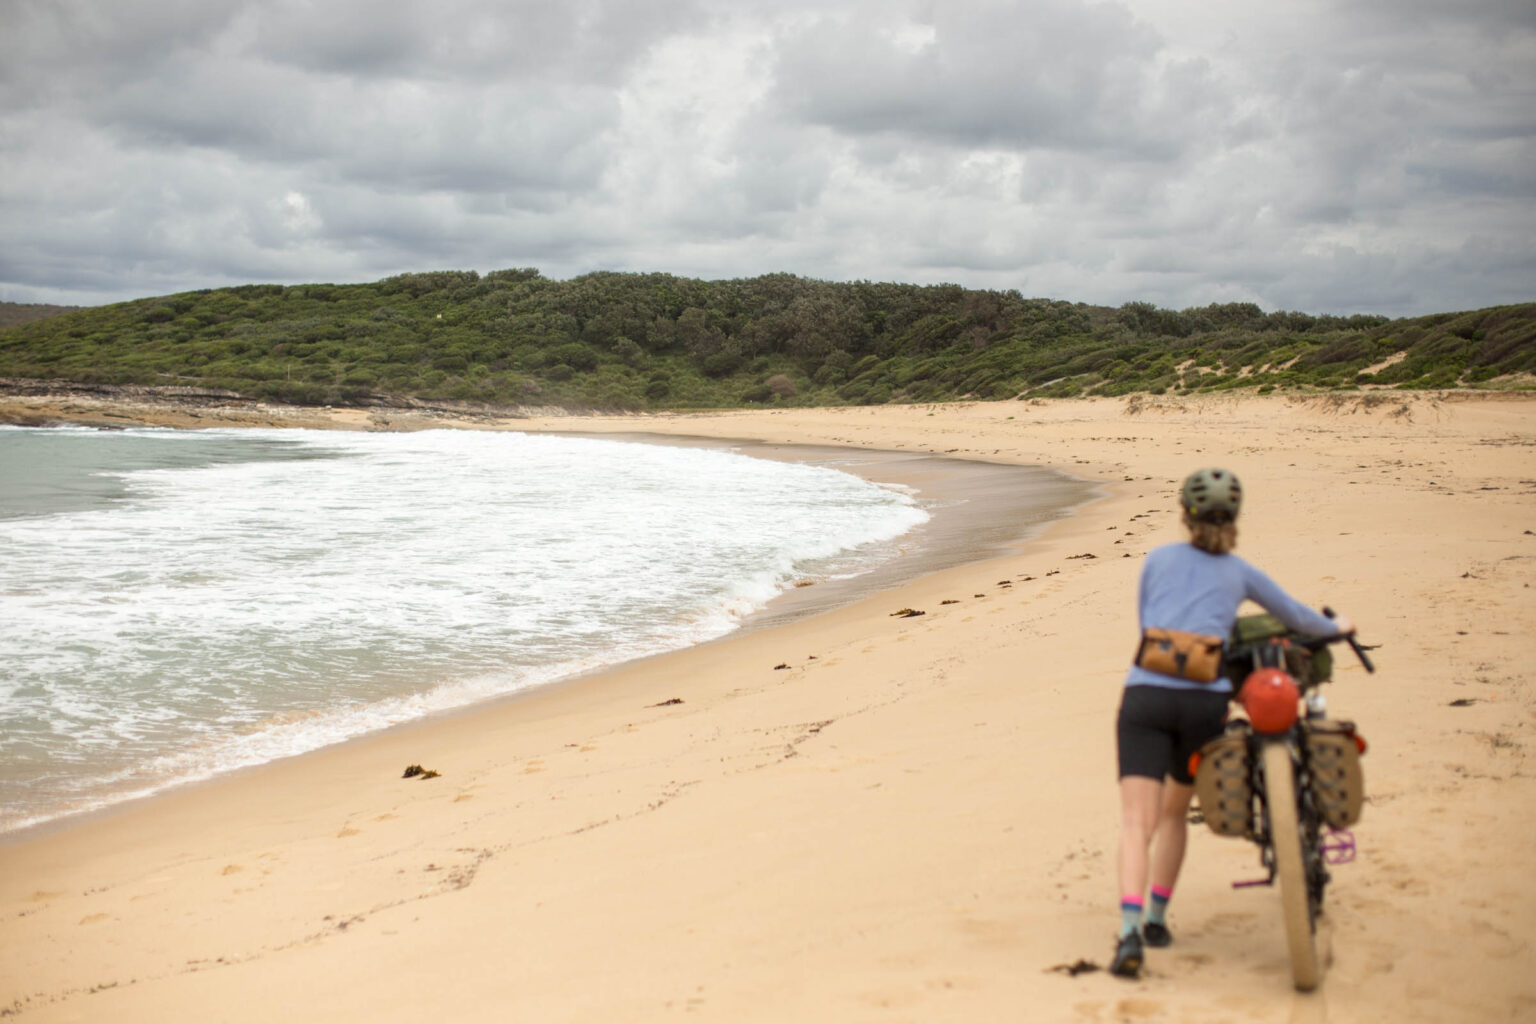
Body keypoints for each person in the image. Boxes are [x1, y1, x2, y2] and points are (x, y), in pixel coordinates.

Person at [1111, 467, 1353, 979]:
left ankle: (1130, 932)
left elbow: (1147, 626)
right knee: (1175, 816)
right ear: (1235, 518)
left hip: (1145, 697)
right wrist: (1339, 628)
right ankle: (1157, 919)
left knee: (1138, 822)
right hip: (1205, 706)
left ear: (1185, 513)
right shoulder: (1240, 572)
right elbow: (1297, 617)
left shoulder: (1157, 559)